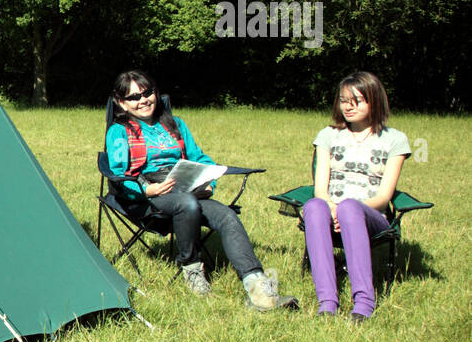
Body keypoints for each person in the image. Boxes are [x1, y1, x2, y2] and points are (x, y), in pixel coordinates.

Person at [105, 69, 295, 310]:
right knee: (187, 204)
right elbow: (118, 174)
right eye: (133, 97)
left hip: (185, 186)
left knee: (226, 216)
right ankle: (192, 269)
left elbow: (199, 158)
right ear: (121, 102)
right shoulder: (119, 131)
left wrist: (208, 183)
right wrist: (147, 190)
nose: (143, 100)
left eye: (147, 93)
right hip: (149, 195)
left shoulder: (175, 124)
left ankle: (257, 288)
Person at [304, 72, 410, 322]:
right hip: (331, 211)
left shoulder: (395, 140)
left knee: (350, 207)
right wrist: (331, 207)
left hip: (372, 215)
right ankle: (327, 302)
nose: (348, 106)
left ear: (374, 101)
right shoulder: (328, 136)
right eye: (343, 100)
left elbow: (384, 196)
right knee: (313, 206)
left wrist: (345, 209)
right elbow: (320, 187)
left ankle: (363, 302)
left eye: (357, 100)